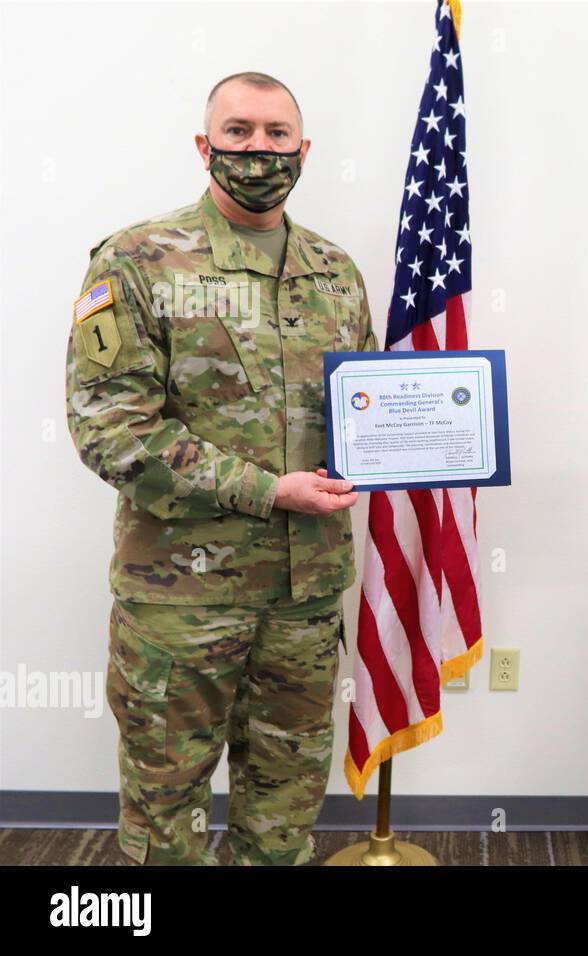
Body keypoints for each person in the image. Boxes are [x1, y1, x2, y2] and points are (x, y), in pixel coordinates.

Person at [65, 71, 378, 865]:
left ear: (304, 150)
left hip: (304, 597)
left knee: (284, 815)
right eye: (238, 132)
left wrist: (415, 447)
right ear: (205, 146)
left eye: (277, 135)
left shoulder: (335, 271)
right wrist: (268, 490)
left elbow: (366, 407)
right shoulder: (136, 261)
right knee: (166, 820)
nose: (258, 149)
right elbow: (112, 430)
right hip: (183, 601)